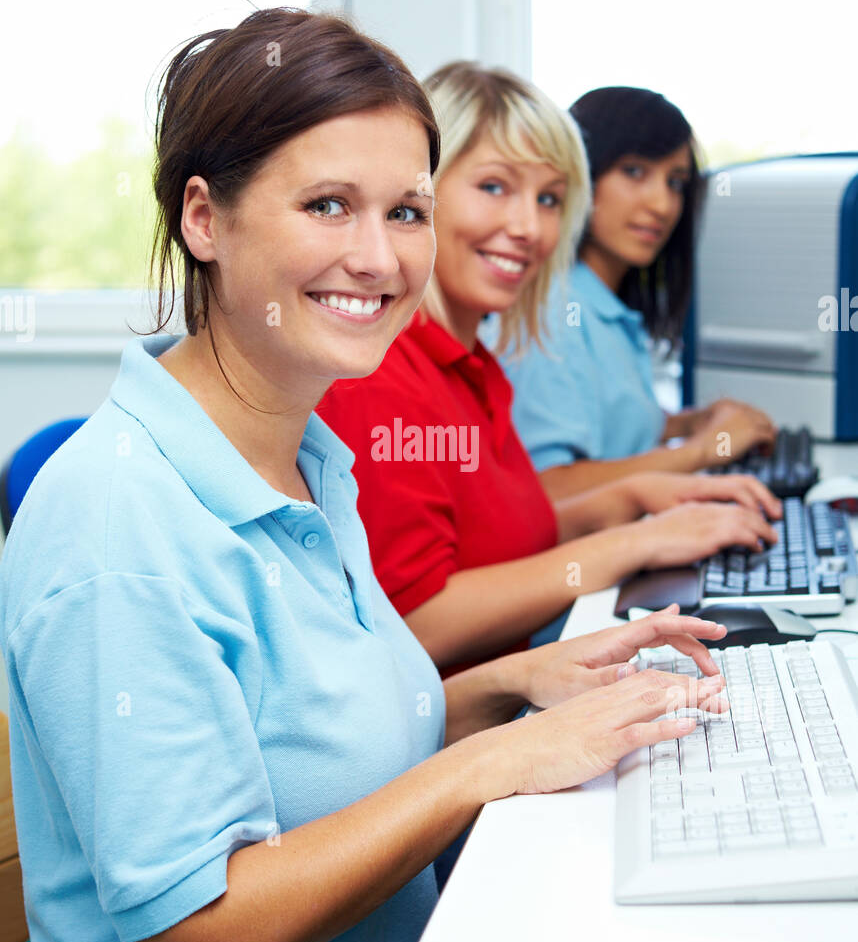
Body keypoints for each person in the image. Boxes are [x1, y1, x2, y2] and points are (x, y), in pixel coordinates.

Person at [0, 9, 732, 942]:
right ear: (205, 217)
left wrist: (517, 685)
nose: (378, 257)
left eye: (405, 211)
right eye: (326, 205)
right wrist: (490, 761)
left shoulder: (308, 456)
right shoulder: (117, 524)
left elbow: (324, 741)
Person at [319, 62, 781, 674]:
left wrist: (633, 495)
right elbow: (418, 622)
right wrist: (635, 541)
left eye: (549, 200)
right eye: (494, 187)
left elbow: (499, 535)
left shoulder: (474, 364)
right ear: (416, 194)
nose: (528, 227)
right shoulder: (379, 373)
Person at [494, 85, 779, 502]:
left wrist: (688, 425)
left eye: (676, 182)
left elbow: (606, 428)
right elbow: (549, 490)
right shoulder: (553, 313)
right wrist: (703, 450)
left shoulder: (601, 305)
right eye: (634, 172)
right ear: (581, 173)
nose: (662, 204)